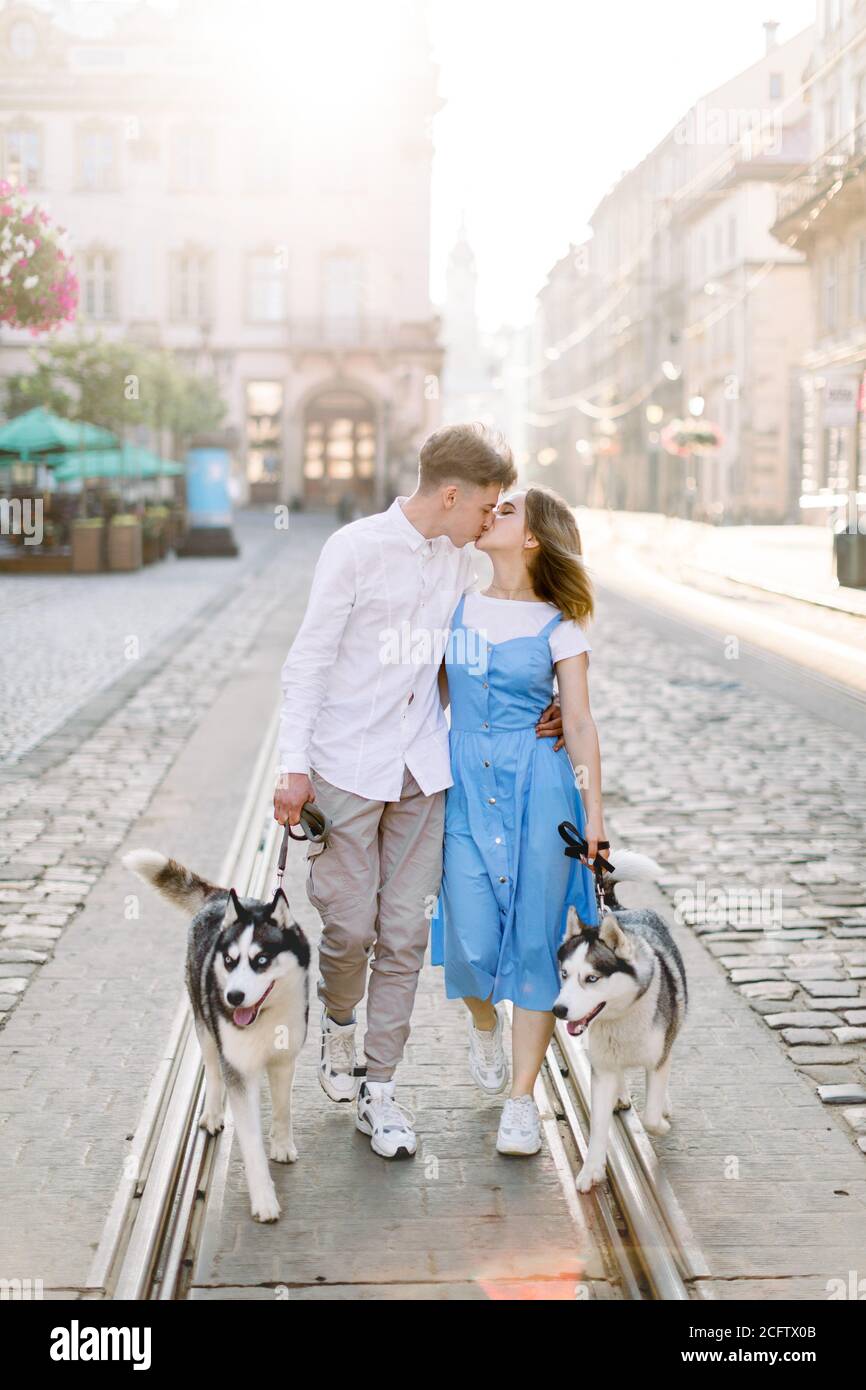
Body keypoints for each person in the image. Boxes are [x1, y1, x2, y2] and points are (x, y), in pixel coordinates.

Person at [273, 424, 566, 1160]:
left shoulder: (456, 568)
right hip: (345, 764)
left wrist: (545, 709)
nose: (489, 521)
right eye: (487, 506)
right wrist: (292, 763)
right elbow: (307, 658)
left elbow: (470, 658)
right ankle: (338, 1024)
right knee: (347, 926)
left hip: (421, 772)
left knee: (403, 934)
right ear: (451, 494)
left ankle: (381, 1090)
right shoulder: (356, 550)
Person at [431, 486, 607, 1156]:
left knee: (536, 942)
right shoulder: (453, 605)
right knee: (472, 945)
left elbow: (582, 721)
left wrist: (593, 816)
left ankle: (521, 1103)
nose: (490, 515)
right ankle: (484, 1025)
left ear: (533, 537)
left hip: (540, 787)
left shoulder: (561, 624)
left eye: (505, 511)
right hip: (466, 785)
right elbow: (429, 692)